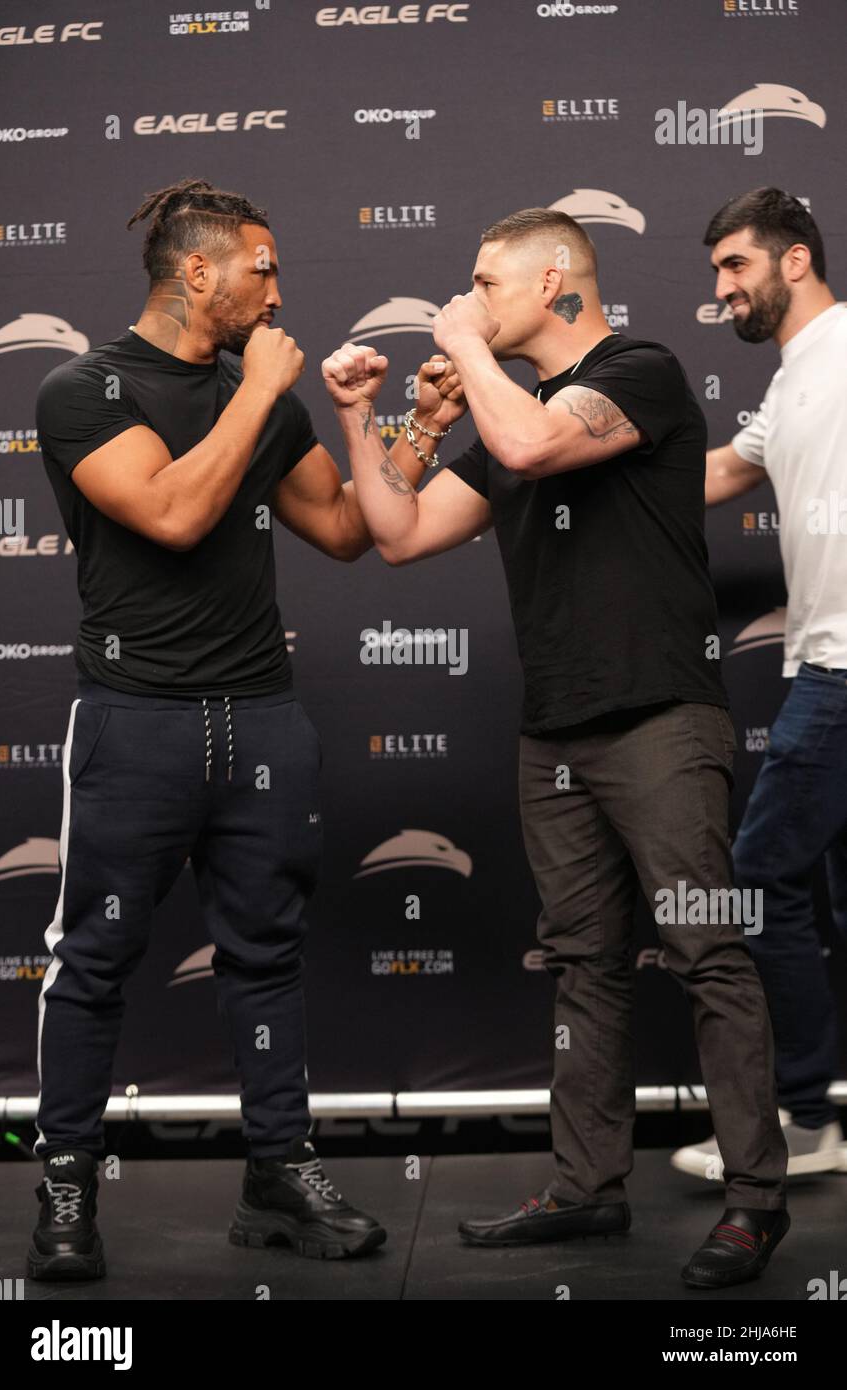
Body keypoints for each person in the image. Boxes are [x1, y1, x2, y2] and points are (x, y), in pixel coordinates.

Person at [322, 206, 789, 1289]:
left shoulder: (638, 372)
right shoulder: (506, 409)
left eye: (486, 283)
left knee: (707, 951)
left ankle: (754, 1202)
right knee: (582, 965)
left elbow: (535, 444)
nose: (466, 301)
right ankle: (587, 1186)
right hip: (556, 736)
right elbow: (396, 536)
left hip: (662, 720)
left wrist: (465, 348)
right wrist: (359, 417)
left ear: (551, 284)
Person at [30, 177, 462, 1279]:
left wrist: (413, 424)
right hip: (136, 722)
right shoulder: (83, 390)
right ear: (195, 272)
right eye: (260, 269)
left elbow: (348, 528)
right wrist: (260, 391)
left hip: (261, 721)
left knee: (264, 959)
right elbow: (172, 513)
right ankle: (66, 1184)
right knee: (94, 961)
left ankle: (278, 1174)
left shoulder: (260, 397)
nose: (277, 291)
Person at [672, 188, 847, 1183]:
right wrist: (561, 466)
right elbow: (716, 475)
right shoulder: (790, 382)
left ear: (794, 260)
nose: (721, 289)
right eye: (715, 272)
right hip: (821, 664)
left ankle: (805, 1115)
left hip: (841, 670)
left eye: (734, 265)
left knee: (758, 878)